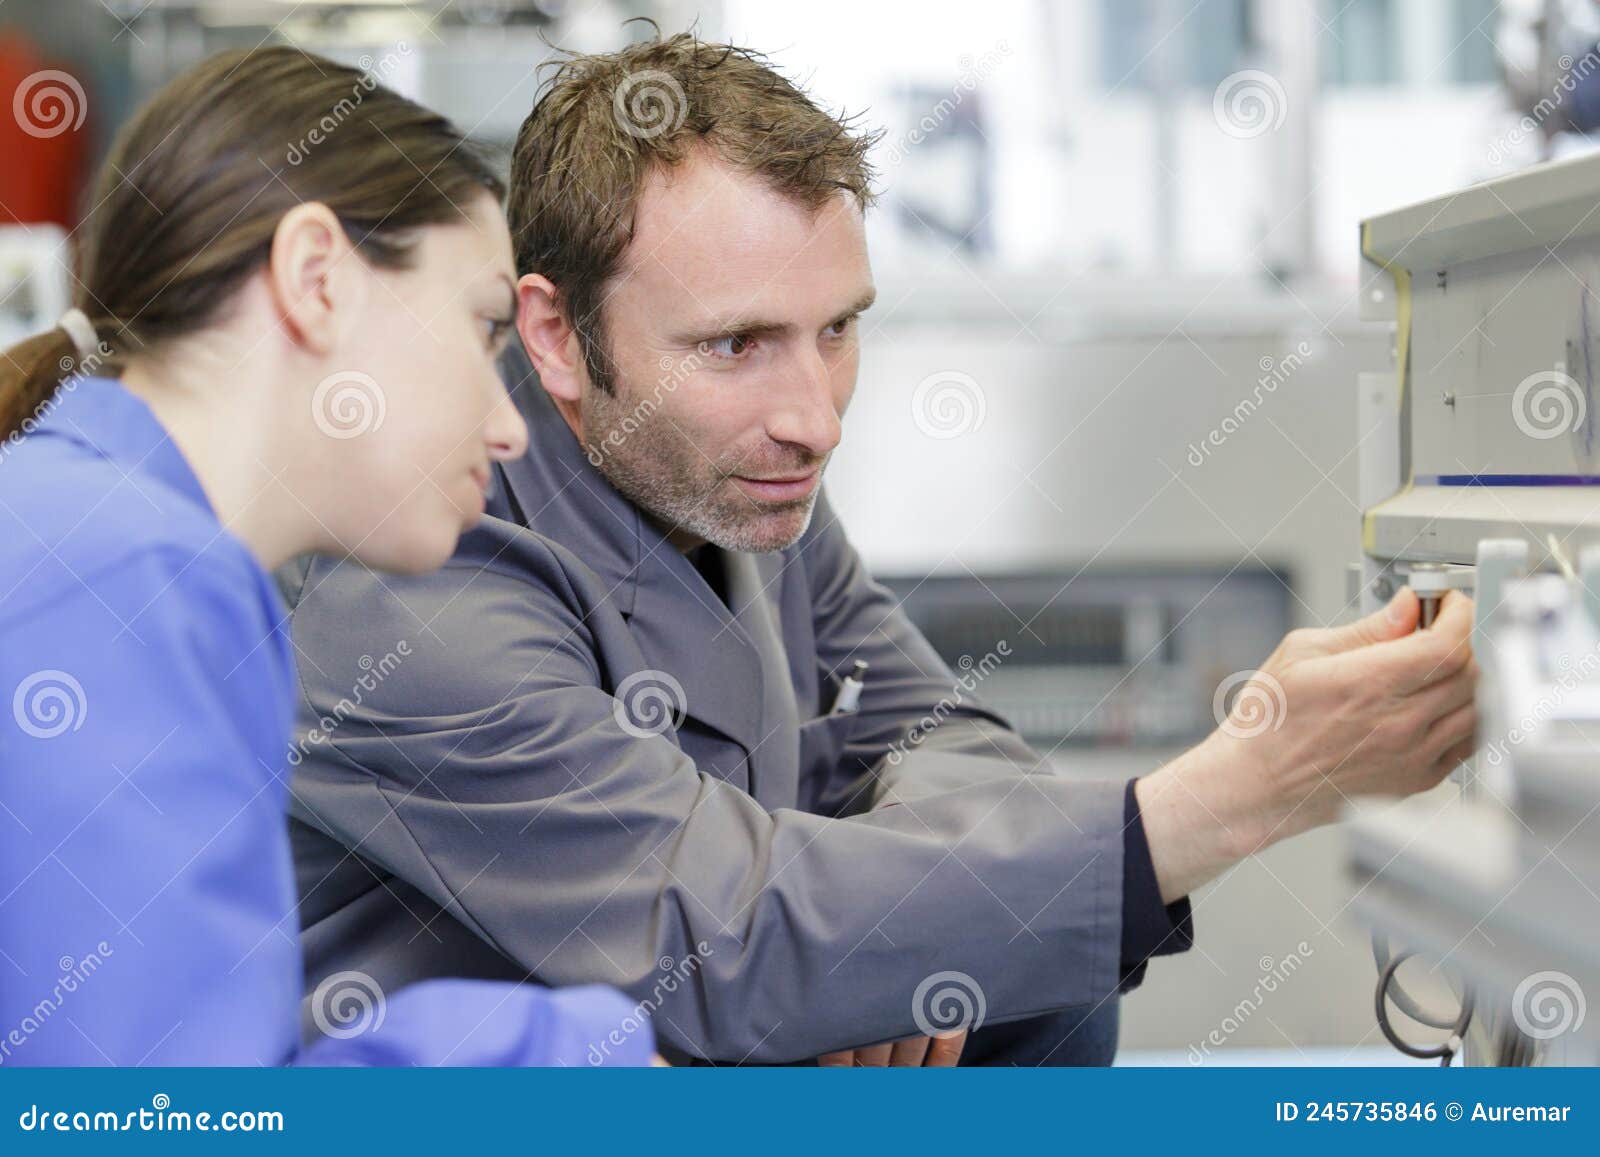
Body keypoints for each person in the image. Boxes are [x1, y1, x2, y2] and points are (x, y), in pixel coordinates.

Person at [281, 32, 1479, 1066]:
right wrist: (1239, 791)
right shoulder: (417, 556)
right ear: (554, 334)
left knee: (1026, 977)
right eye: (737, 342)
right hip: (500, 1093)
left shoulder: (737, 478)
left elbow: (945, 732)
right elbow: (717, 934)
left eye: (838, 329)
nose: (814, 414)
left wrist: (887, 942)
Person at [0, 46, 651, 1067]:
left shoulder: (91, 528)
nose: (508, 422)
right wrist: (555, 1049)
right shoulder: (124, 573)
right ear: (316, 279)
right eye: (483, 328)